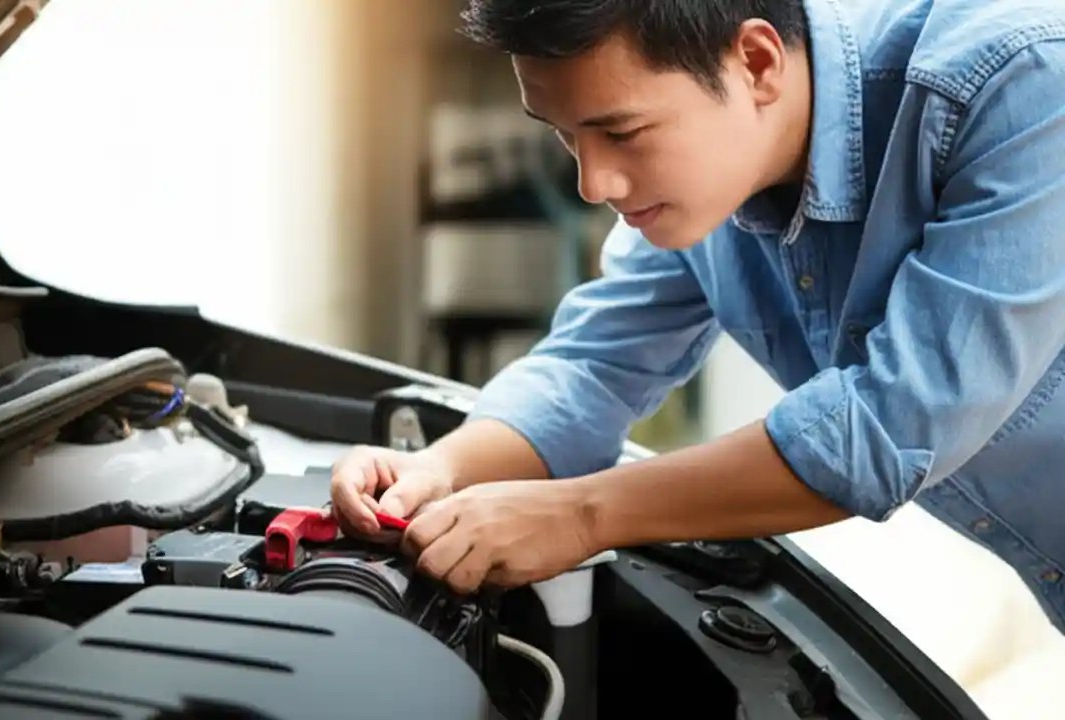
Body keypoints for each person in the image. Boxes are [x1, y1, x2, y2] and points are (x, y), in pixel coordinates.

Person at [329, 0, 1065, 632]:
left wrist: (581, 515)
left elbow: (890, 423)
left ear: (756, 62)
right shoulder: (710, 181)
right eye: (565, 135)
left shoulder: (1023, 82)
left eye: (621, 133)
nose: (593, 183)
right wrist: (441, 470)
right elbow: (592, 367)